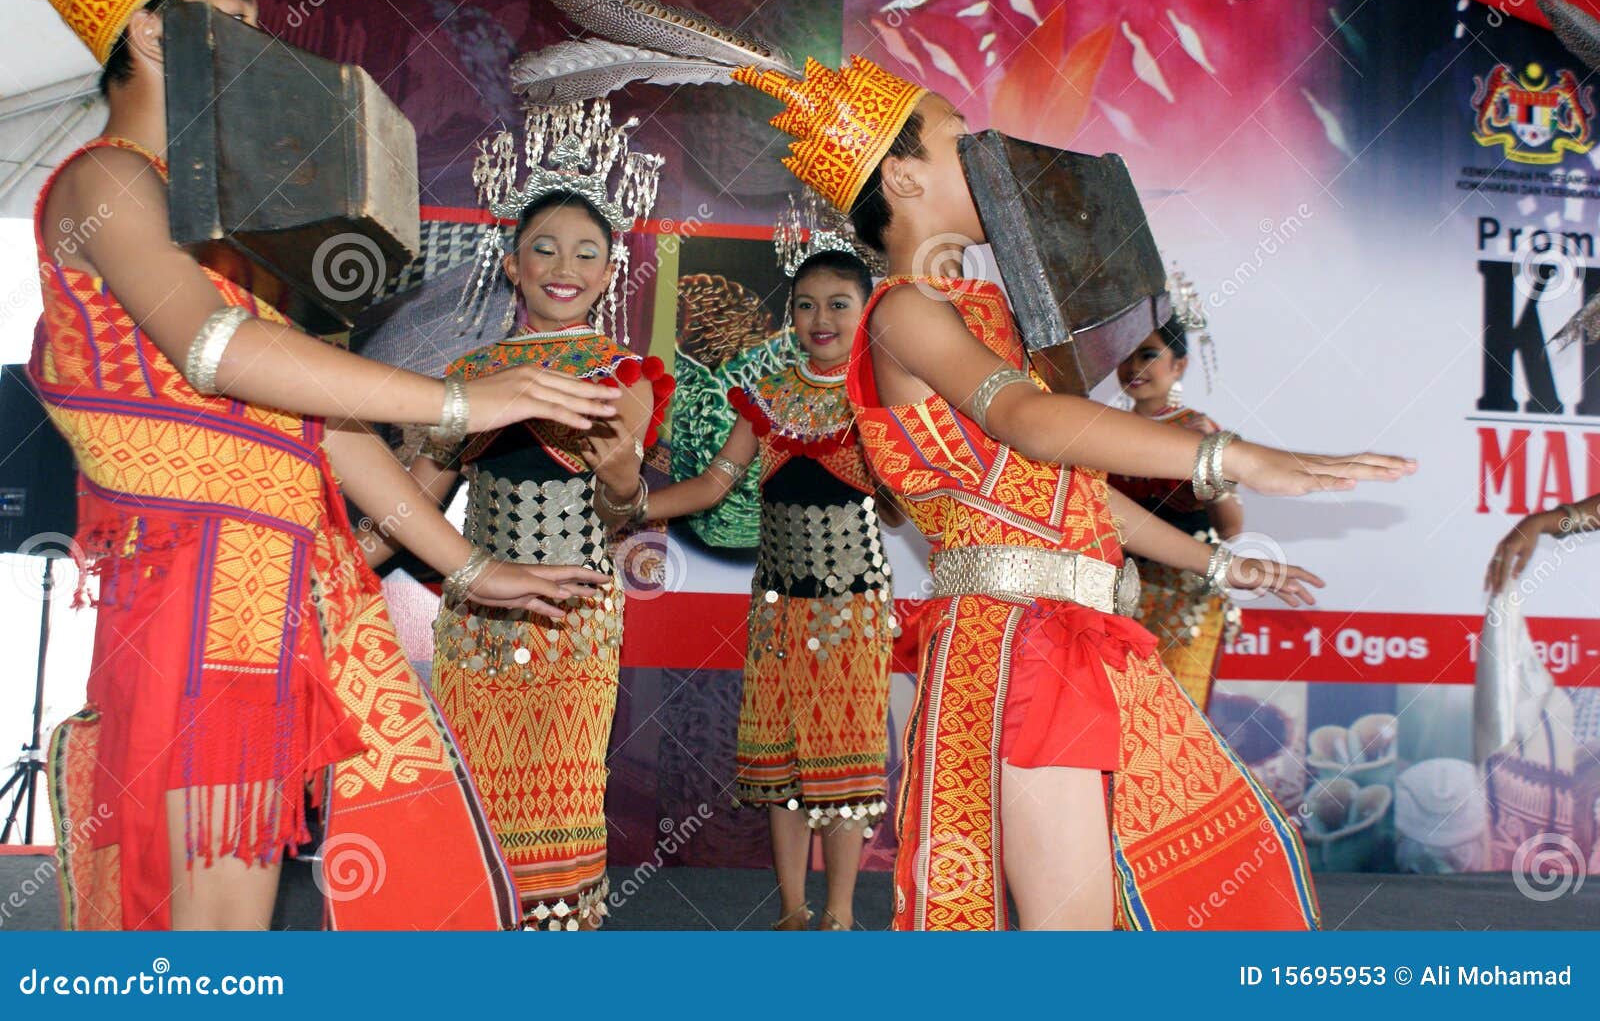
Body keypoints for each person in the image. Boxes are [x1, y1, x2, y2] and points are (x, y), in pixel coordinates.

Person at [23, 0, 619, 931]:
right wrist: (458, 397)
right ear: (155, 33)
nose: (264, 44)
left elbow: (321, 427)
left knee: (237, 903)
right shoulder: (106, 184)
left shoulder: (227, 221)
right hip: (200, 580)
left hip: (267, 576)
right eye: (239, 16)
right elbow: (218, 353)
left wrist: (471, 568)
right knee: (210, 913)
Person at [734, 55, 1417, 930]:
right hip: (1015, 644)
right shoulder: (904, 311)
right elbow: (1029, 422)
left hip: (1066, 632)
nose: (988, 152)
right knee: (1077, 938)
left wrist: (1216, 562)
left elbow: (1068, 490)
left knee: (1183, 884)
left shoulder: (984, 312)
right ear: (903, 177)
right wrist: (1232, 457)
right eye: (958, 138)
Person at [399, 100, 673, 929]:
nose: (565, 265)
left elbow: (624, 520)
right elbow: (416, 500)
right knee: (475, 799)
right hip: (476, 617)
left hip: (574, 620)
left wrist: (624, 479)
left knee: (560, 806)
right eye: (543, 248)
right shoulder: (472, 372)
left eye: (587, 252)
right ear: (512, 263)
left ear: (608, 269)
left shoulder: (624, 374)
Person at [646, 210, 894, 930]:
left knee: (843, 765)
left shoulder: (880, 399)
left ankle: (841, 913)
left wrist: (882, 460)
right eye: (806, 304)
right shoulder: (765, 397)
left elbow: (910, 503)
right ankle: (792, 907)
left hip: (854, 605)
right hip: (778, 606)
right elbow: (714, 484)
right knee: (782, 765)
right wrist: (636, 506)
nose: (820, 318)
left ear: (865, 311)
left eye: (838, 304)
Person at [1108, 300, 1243, 710]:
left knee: (1177, 721)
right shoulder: (1100, 429)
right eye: (1124, 356)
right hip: (1117, 596)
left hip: (1187, 597)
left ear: (1179, 366)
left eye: (1148, 354)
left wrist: (1211, 467)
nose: (1134, 367)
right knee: (1121, 720)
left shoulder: (1198, 431)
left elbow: (1232, 528)